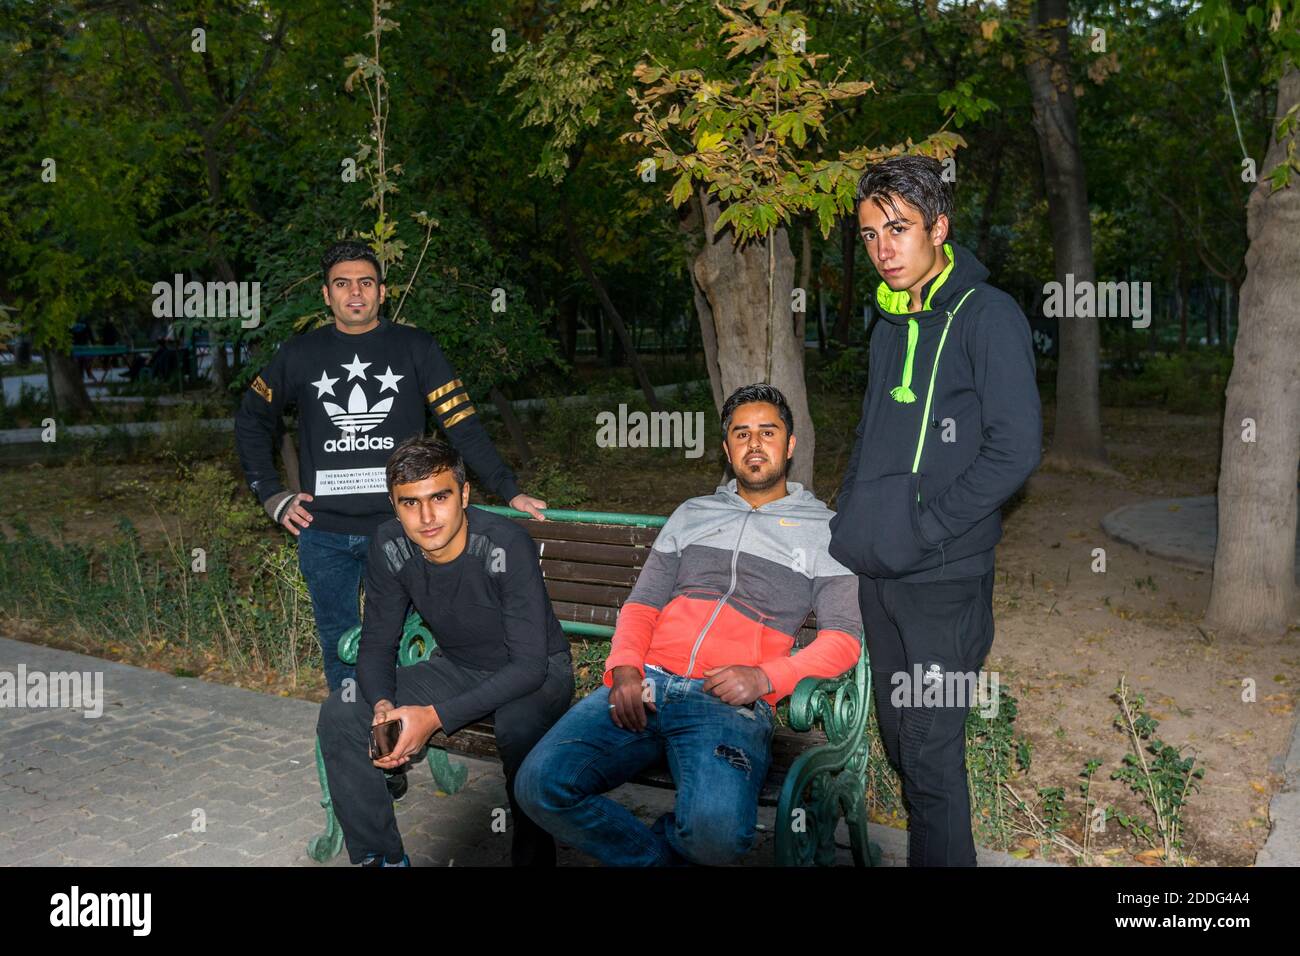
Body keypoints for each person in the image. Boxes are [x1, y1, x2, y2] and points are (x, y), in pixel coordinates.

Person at [515, 384, 863, 866]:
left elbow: (844, 639)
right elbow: (643, 603)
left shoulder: (826, 530)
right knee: (539, 785)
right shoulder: (692, 514)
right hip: (649, 682)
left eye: (768, 431)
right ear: (726, 448)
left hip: (727, 702)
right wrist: (624, 669)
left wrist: (765, 677)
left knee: (715, 837)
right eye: (742, 434)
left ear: (791, 444)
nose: (755, 443)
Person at [827, 154, 1042, 866]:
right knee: (900, 743)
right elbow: (870, 434)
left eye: (899, 228)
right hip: (879, 570)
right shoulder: (891, 320)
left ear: (939, 227)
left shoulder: (989, 316)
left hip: (945, 578)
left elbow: (1014, 452)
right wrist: (849, 515)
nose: (883, 248)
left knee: (931, 756)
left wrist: (925, 528)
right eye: (868, 235)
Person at [235, 240, 548, 694]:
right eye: (342, 284)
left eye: (365, 282)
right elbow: (250, 418)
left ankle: (409, 726)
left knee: (415, 643)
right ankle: (359, 735)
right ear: (327, 295)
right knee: (338, 644)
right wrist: (270, 493)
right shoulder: (299, 354)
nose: (354, 292)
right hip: (324, 534)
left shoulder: (416, 347)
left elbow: (460, 422)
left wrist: (507, 488)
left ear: (383, 292)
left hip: (406, 529)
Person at [316, 437, 574, 866]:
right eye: (410, 503)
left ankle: (532, 857)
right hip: (458, 665)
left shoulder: (504, 544)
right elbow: (379, 643)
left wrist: (432, 716)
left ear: (464, 494)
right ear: (393, 505)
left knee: (519, 724)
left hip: (537, 672)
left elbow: (529, 666)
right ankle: (381, 858)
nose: (427, 517)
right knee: (343, 711)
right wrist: (382, 705)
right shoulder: (390, 545)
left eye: (439, 497)